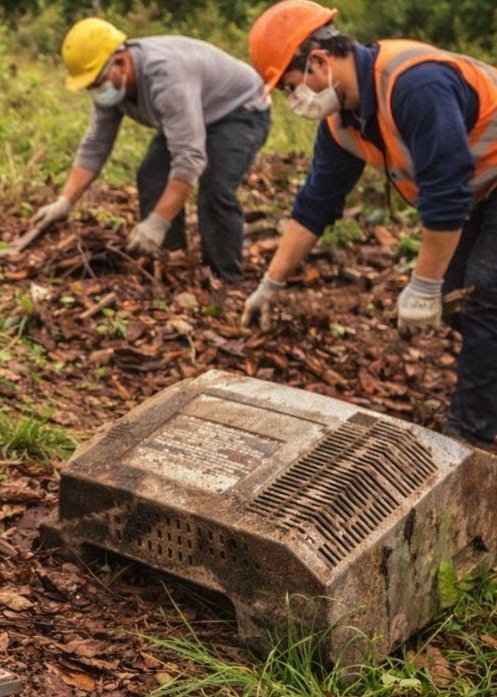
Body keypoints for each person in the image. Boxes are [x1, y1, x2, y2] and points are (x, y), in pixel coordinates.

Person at [240, 0, 497, 450]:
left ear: (318, 61)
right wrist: (271, 283)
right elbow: (315, 204)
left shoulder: (415, 85)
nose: (292, 100)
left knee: (485, 293)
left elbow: (446, 196)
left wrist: (421, 284)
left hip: (479, 187)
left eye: (290, 86)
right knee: (460, 295)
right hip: (483, 189)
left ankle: (470, 441)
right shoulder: (344, 123)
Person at [29, 18, 272, 282]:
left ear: (120, 62)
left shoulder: (166, 77)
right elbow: (95, 145)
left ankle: (225, 279)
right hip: (193, 112)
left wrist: (157, 221)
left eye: (97, 82)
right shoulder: (111, 84)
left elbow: (189, 159)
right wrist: (64, 201)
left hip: (240, 109)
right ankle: (171, 261)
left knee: (215, 185)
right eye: (90, 86)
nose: (96, 91)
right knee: (151, 175)